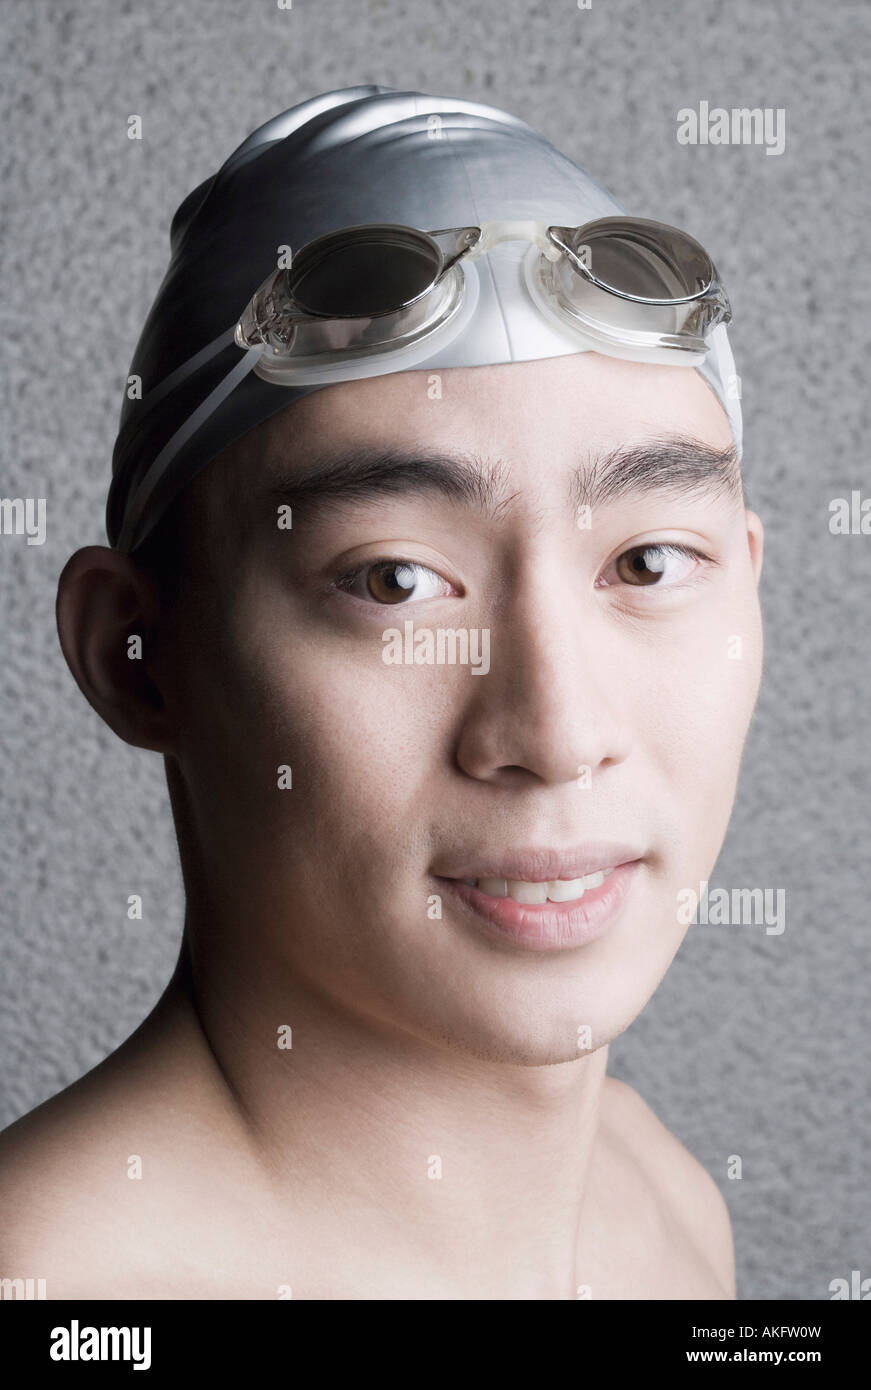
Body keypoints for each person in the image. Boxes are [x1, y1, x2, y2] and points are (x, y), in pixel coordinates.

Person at [0, 85, 763, 1300]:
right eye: (395, 579)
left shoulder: (666, 1212)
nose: (556, 735)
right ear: (134, 654)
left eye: (646, 562)